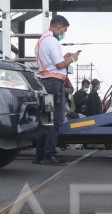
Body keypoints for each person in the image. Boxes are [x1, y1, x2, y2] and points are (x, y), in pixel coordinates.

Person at [33, 14, 80, 165]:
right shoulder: (53, 41)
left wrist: (64, 56)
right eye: (63, 30)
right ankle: (49, 155)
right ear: (58, 27)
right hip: (54, 84)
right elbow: (59, 65)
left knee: (46, 119)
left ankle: (39, 155)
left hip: (44, 82)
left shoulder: (41, 41)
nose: (62, 34)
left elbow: (53, 61)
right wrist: (72, 58)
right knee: (57, 120)